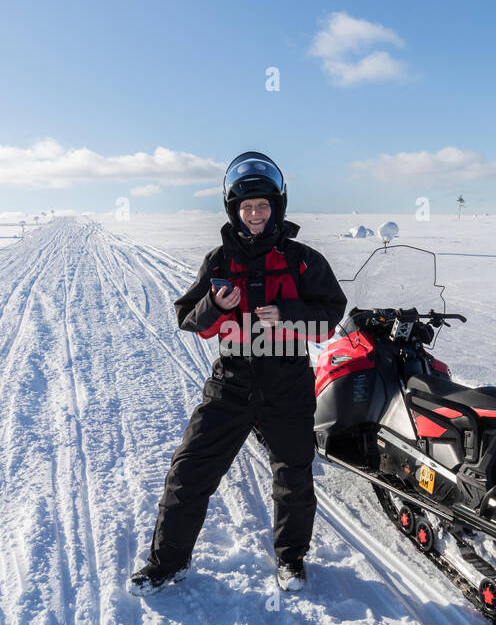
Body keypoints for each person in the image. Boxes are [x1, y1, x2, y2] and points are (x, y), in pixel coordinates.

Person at [129, 151, 347, 595]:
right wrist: (216, 305)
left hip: (287, 381)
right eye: (246, 208)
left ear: (277, 207)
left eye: (262, 206)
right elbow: (188, 318)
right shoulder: (218, 260)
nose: (254, 215)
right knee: (189, 471)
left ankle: (291, 561)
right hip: (232, 379)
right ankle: (167, 563)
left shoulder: (303, 260)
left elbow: (329, 317)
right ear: (234, 210)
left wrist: (288, 314)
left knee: (294, 475)